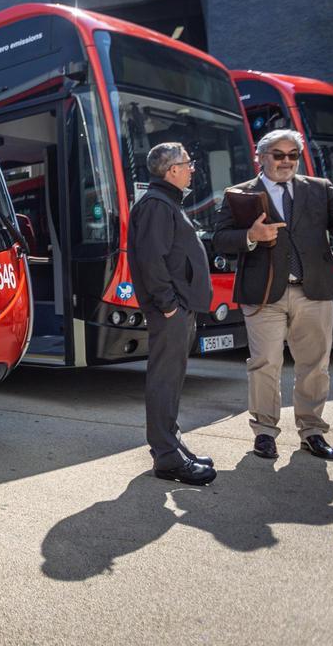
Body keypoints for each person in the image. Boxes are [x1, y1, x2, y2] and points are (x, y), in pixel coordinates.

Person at [213, 129, 333, 461]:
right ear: (261, 157)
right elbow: (221, 239)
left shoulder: (320, 188)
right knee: (265, 363)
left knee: (314, 365)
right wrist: (250, 236)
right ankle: (265, 433)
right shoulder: (239, 194)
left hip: (314, 291)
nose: (286, 161)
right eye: (278, 154)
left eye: (292, 155)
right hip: (264, 292)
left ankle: (312, 431)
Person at [127, 142, 216, 485]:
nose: (192, 168)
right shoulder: (156, 205)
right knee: (165, 381)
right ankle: (166, 457)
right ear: (171, 170)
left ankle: (173, 446)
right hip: (171, 311)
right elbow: (152, 260)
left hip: (179, 308)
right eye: (187, 163)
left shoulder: (166, 203)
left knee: (172, 379)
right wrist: (168, 305)